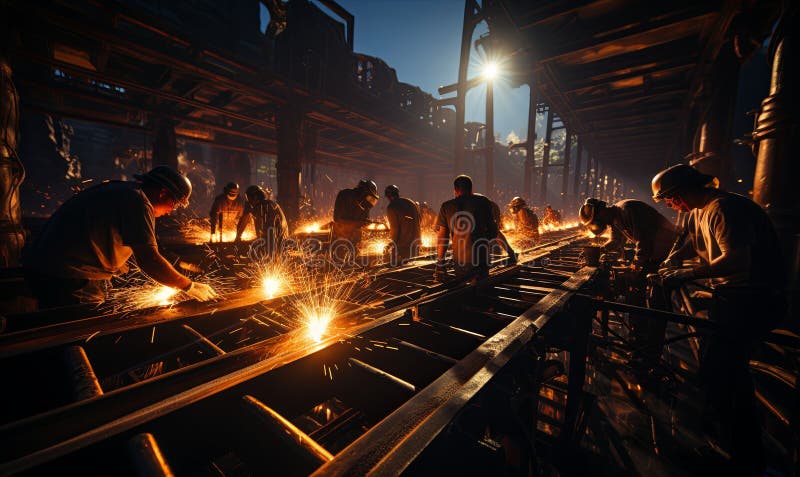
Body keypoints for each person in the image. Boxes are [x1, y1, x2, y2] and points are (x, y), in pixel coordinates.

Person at [652, 163, 787, 475]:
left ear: (685, 190)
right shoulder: (701, 209)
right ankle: (722, 440)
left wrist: (688, 273)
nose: (671, 205)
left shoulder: (723, 208)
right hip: (735, 296)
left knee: (725, 376)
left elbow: (737, 260)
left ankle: (746, 460)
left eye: (672, 199)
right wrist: (675, 258)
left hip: (753, 298)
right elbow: (693, 239)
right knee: (715, 369)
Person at [24, 166, 218, 308]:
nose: (170, 212)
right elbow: (149, 260)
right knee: (80, 337)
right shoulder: (138, 202)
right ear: (163, 193)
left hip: (52, 271)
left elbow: (134, 247)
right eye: (173, 204)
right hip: (71, 279)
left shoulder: (123, 192)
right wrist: (188, 285)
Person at [578, 198, 676, 269]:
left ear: (601, 212)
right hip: (658, 251)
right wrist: (598, 251)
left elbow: (643, 241)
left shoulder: (627, 210)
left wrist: (635, 266)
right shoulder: (615, 217)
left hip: (670, 248)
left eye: (595, 221)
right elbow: (615, 241)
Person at [434, 175, 498, 283]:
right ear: (471, 189)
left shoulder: (446, 206)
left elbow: (442, 238)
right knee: (480, 291)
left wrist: (440, 263)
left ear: (455, 190)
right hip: (480, 259)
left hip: (460, 261)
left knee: (463, 292)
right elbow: (493, 231)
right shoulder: (483, 202)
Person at [331, 179, 379, 260]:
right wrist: (359, 223)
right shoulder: (345, 195)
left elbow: (364, 221)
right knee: (340, 261)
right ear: (363, 192)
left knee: (354, 260)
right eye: (369, 197)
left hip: (354, 240)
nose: (370, 201)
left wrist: (368, 224)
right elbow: (338, 219)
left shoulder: (364, 206)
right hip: (340, 238)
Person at [235, 185, 288, 255]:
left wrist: (238, 237)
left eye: (249, 199)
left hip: (273, 243)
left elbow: (262, 230)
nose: (249, 202)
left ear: (254, 197)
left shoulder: (261, 208)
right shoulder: (271, 204)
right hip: (283, 241)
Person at [384, 185, 421, 263]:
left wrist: (390, 244)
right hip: (416, 243)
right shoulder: (411, 202)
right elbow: (419, 220)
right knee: (414, 269)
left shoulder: (392, 206)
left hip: (403, 247)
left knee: (400, 270)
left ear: (388, 196)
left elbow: (395, 229)